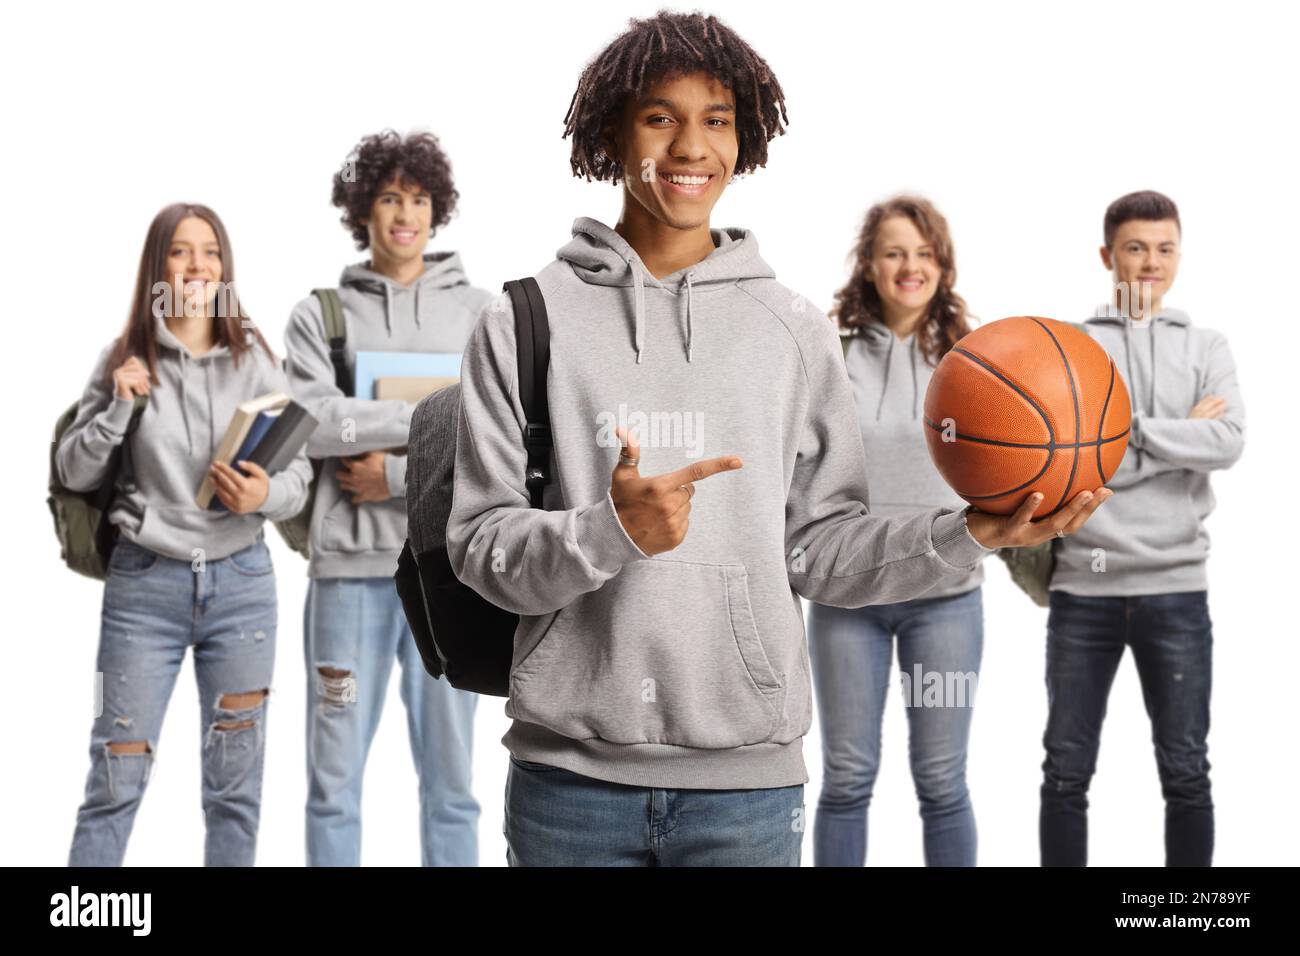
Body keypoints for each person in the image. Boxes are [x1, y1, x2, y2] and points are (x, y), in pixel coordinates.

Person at [446, 9, 1110, 867]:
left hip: (749, 794)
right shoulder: (522, 321)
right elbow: (479, 544)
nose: (691, 146)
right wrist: (608, 531)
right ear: (612, 132)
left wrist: (971, 532)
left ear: (744, 137)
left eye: (715, 120)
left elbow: (822, 547)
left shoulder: (793, 329)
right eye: (660, 117)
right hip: (568, 786)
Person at [61, 203, 311, 866]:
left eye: (210, 252)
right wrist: (119, 407)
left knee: (234, 793)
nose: (197, 265)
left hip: (243, 591)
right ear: (158, 266)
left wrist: (264, 495)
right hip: (145, 591)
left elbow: (300, 479)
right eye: (180, 251)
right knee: (115, 779)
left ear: (225, 268)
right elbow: (75, 467)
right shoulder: (124, 359)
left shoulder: (254, 358)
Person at [283, 130, 490, 867]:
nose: (406, 213)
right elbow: (306, 420)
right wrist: (432, 416)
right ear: (362, 209)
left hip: (447, 574)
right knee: (333, 781)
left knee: (453, 783)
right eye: (390, 197)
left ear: (439, 211)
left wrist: (397, 474)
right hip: (347, 579)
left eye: (420, 199)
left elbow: (499, 439)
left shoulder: (481, 314)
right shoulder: (322, 315)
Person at [1040, 189, 1246, 867]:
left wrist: (1123, 436)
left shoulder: (1206, 344)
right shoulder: (1075, 345)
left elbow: (1229, 441)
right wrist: (1181, 433)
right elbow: (1067, 461)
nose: (1150, 262)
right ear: (1108, 255)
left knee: (1186, 771)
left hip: (1177, 589)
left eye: (1164, 248)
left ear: (1178, 255)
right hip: (1083, 591)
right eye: (1135, 247)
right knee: (1066, 772)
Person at [810, 195, 985, 866]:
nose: (909, 266)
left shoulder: (977, 359)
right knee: (848, 780)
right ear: (870, 264)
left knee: (942, 782)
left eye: (923, 252)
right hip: (846, 599)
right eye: (893, 252)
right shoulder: (830, 351)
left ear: (941, 264)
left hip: (945, 598)